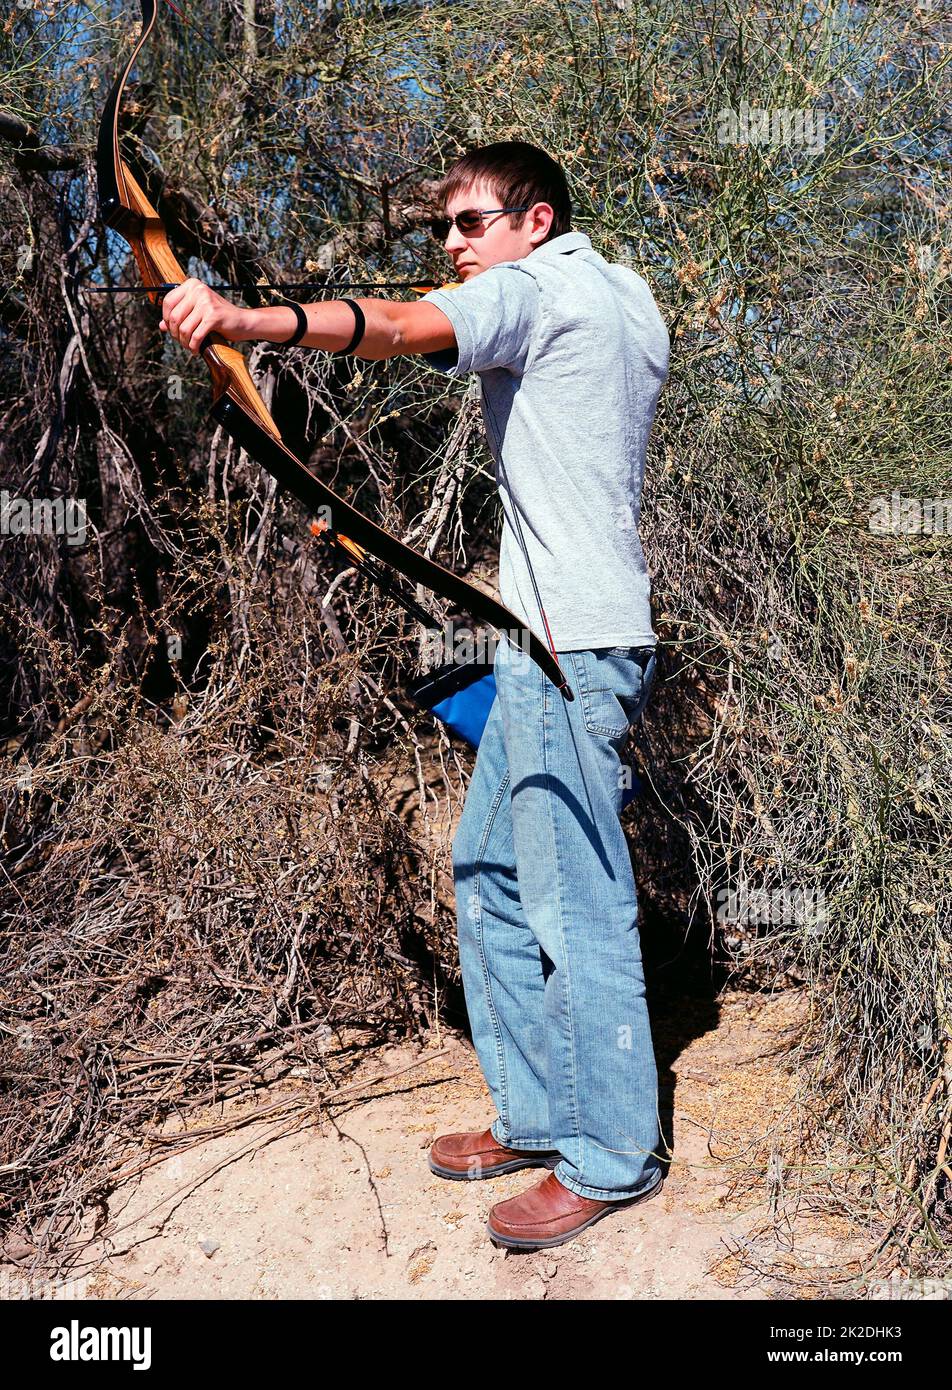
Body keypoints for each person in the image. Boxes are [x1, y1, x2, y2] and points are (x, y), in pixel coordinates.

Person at [159, 140, 670, 1251]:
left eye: (470, 223)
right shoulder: (625, 295)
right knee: (487, 870)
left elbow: (395, 327)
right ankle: (540, 1111)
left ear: (536, 220)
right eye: (444, 228)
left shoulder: (536, 288)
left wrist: (247, 324)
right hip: (573, 638)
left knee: (573, 904)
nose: (451, 246)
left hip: (563, 647)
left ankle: (609, 1155)